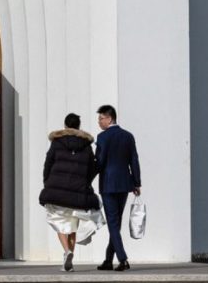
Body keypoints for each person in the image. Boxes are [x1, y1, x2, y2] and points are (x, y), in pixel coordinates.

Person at [40, 113, 99, 271]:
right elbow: (92, 167)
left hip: (57, 190)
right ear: (79, 126)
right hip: (78, 191)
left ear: (65, 125)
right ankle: (69, 257)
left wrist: (47, 182)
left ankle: (67, 251)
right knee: (73, 225)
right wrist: (86, 182)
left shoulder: (57, 142)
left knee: (59, 222)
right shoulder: (86, 145)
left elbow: (48, 163)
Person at [94, 103, 142, 273]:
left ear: (109, 118)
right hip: (124, 184)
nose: (99, 122)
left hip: (108, 184)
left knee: (113, 223)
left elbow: (99, 162)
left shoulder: (102, 137)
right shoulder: (128, 136)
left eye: (101, 118)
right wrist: (136, 182)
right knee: (116, 222)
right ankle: (108, 260)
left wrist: (87, 179)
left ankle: (123, 259)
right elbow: (134, 160)